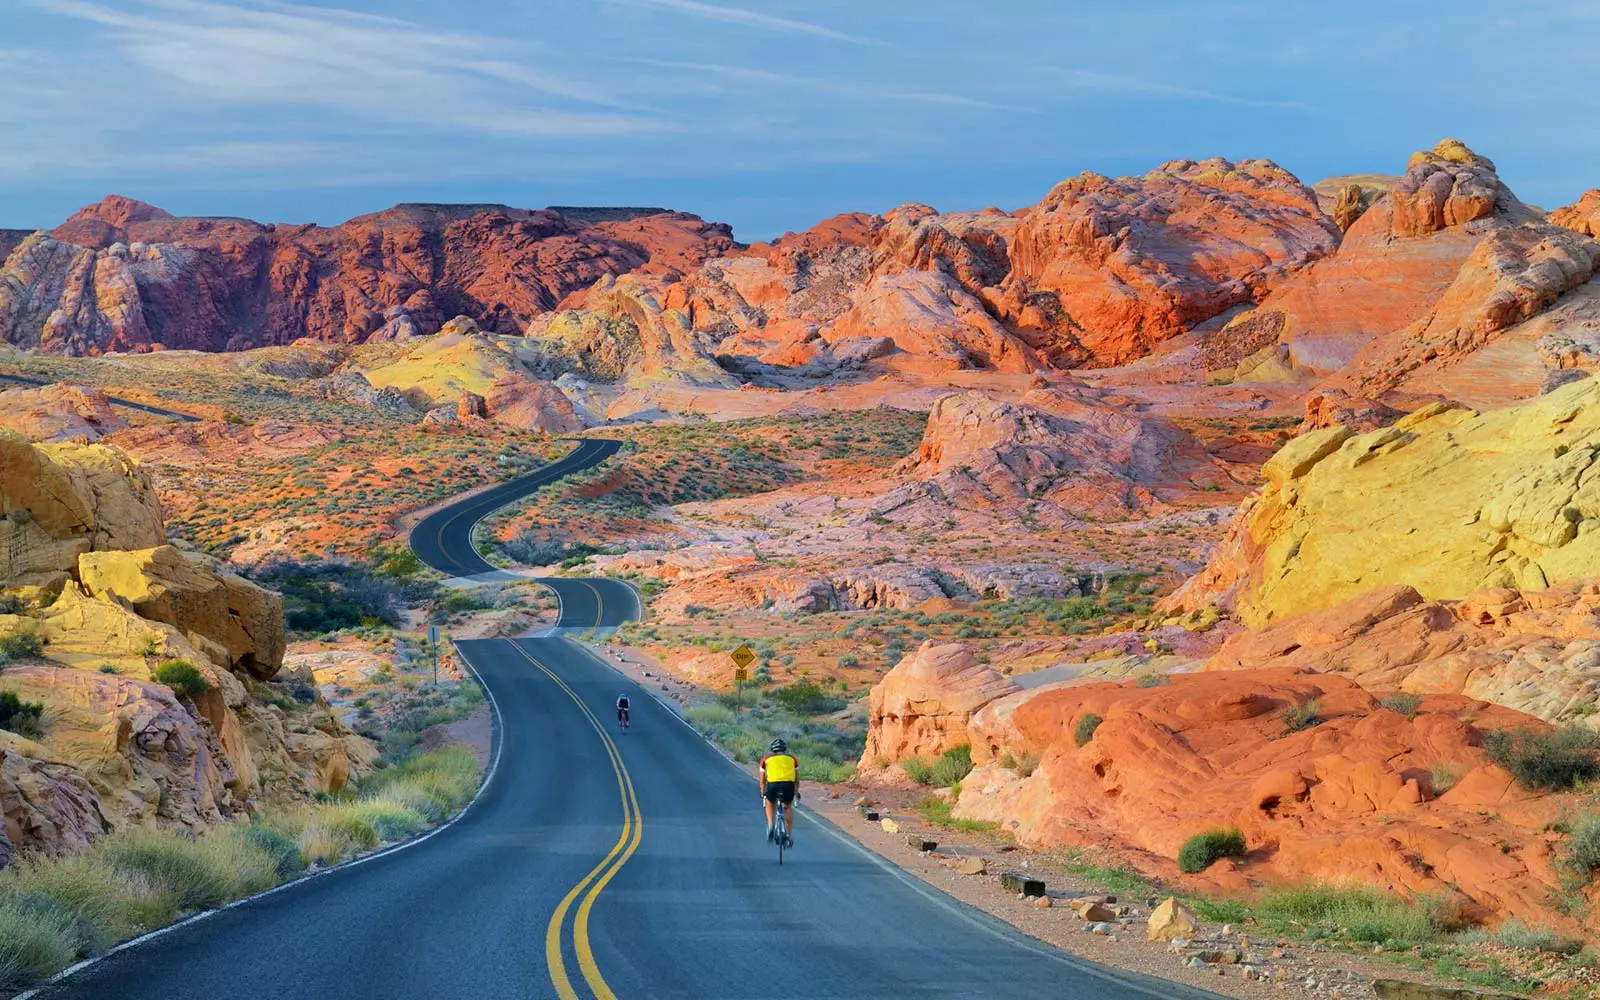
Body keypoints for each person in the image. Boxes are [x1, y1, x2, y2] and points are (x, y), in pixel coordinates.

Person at [759, 738, 798, 847]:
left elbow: (762, 780)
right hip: (788, 786)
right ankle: (789, 836)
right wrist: (796, 792)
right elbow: (797, 779)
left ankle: (771, 825)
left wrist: (762, 793)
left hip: (773, 785)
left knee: (770, 803)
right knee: (788, 807)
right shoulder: (793, 759)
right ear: (784, 749)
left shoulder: (765, 759)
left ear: (772, 749)